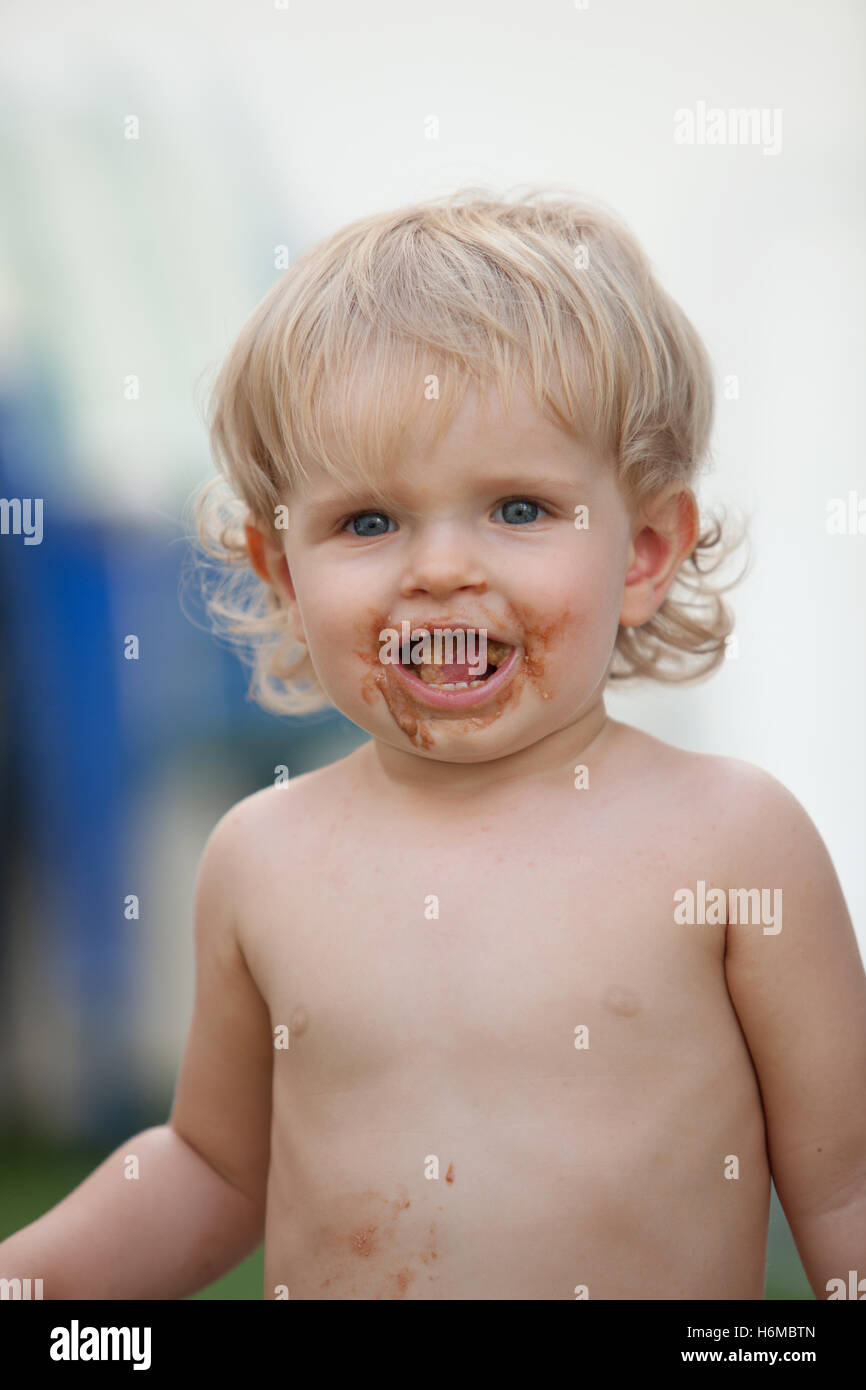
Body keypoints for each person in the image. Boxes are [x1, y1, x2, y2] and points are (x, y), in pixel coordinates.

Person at [3, 190, 864, 1300]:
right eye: (368, 522)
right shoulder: (261, 857)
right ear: (280, 573)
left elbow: (842, 1184)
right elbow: (213, 1167)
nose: (440, 568)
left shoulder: (732, 843)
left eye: (515, 508)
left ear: (644, 550)